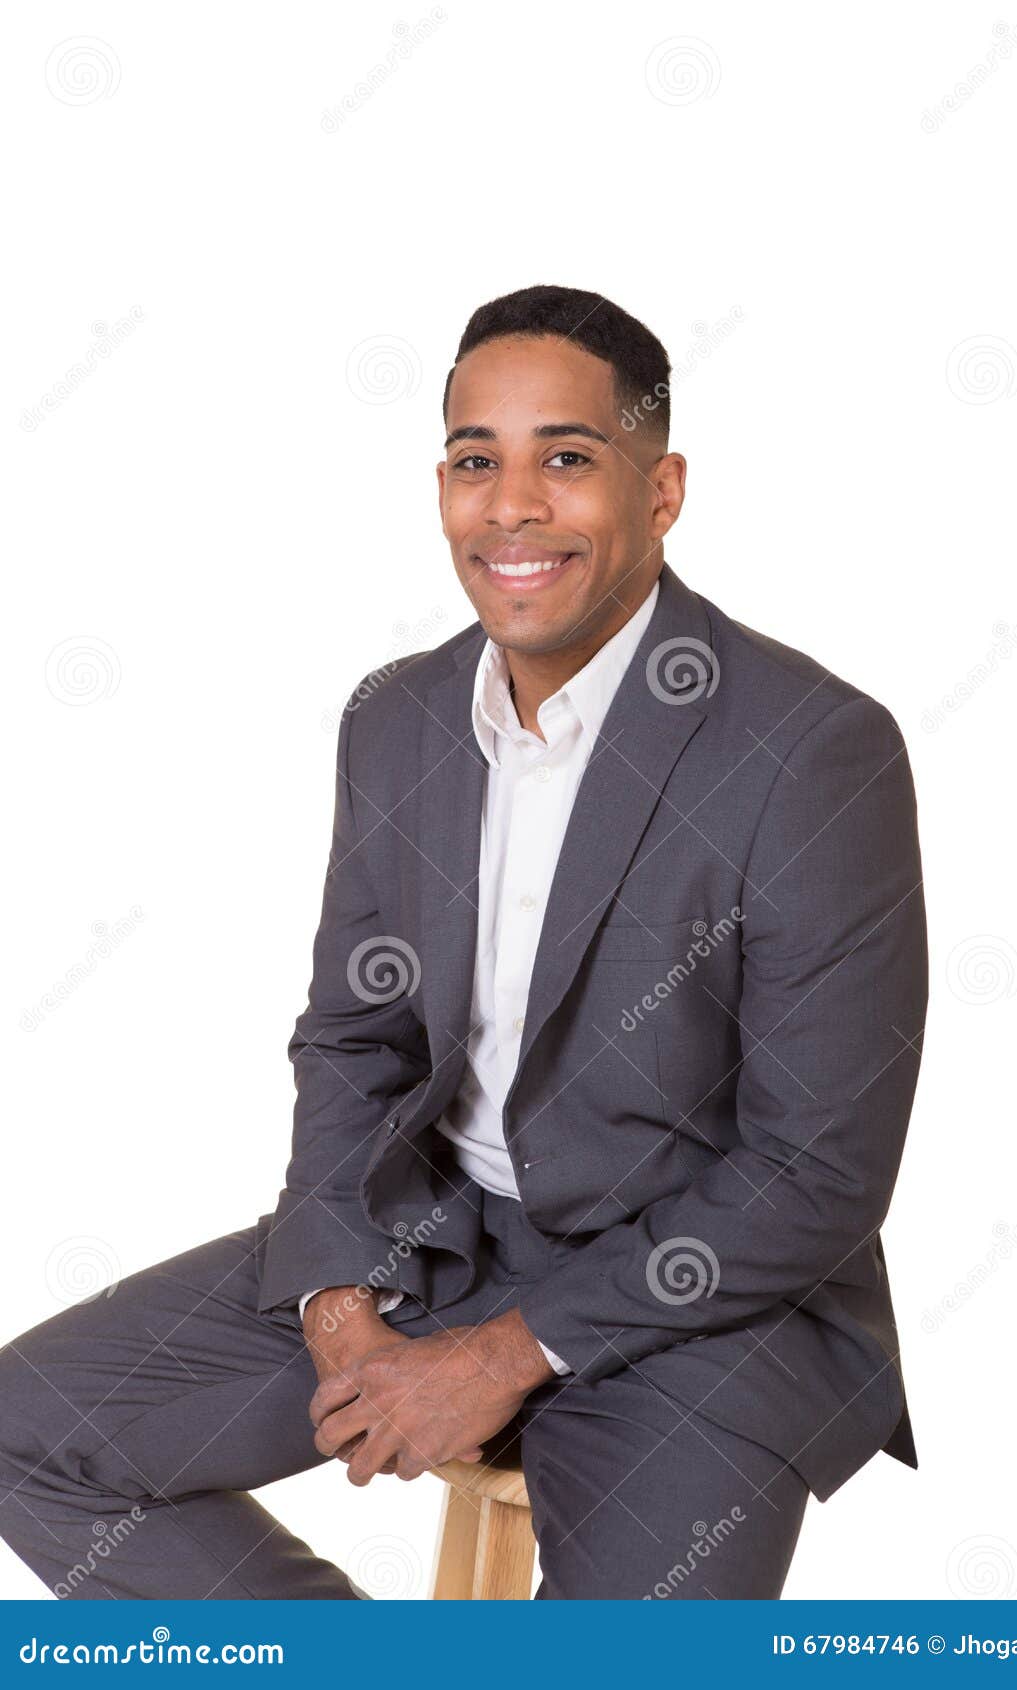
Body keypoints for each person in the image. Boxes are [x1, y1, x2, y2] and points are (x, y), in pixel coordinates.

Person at [0, 285, 927, 1600]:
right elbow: (356, 1035)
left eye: (567, 457)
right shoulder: (402, 719)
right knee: (28, 1431)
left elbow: (815, 1171)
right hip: (429, 1236)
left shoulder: (811, 750)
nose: (511, 505)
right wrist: (332, 1291)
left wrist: (502, 1356)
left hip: (699, 1299)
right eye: (474, 460)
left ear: (661, 491)